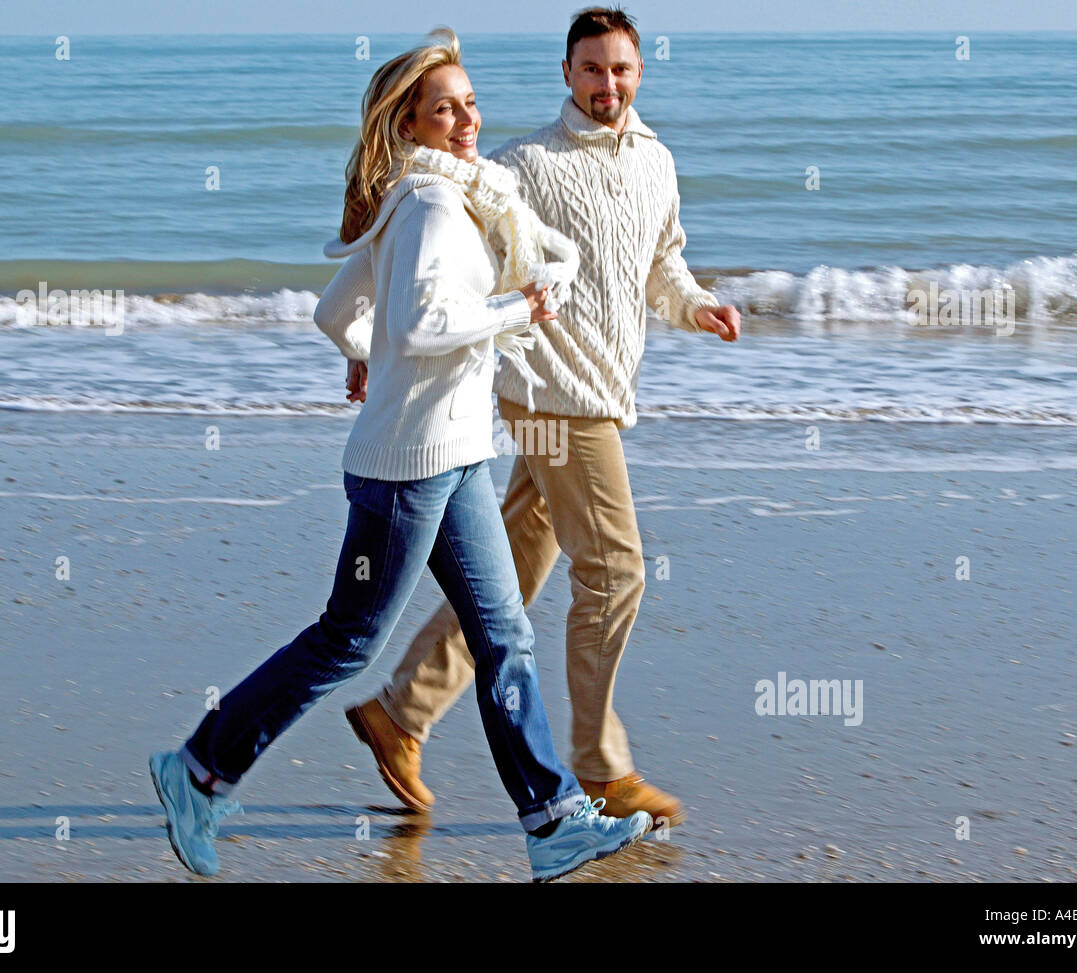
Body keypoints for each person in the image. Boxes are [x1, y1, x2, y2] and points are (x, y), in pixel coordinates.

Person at [148, 26, 651, 883]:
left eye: (469, 102)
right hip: (405, 468)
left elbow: (337, 311)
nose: (464, 120)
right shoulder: (425, 206)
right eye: (443, 109)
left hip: (458, 456)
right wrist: (515, 314)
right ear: (410, 124)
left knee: (504, 636)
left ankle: (553, 818)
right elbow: (421, 327)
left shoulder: (435, 197)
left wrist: (361, 350)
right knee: (349, 642)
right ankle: (199, 769)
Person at [346, 6, 742, 827]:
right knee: (617, 570)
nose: (607, 84)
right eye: (592, 69)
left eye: (621, 69)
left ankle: (400, 711)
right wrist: (363, 337)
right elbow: (435, 249)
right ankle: (600, 765)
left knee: (515, 572)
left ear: (640, 73)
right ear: (567, 73)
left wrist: (697, 305)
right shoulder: (522, 165)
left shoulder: (657, 162)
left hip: (601, 386)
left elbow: (661, 262)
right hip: (553, 393)